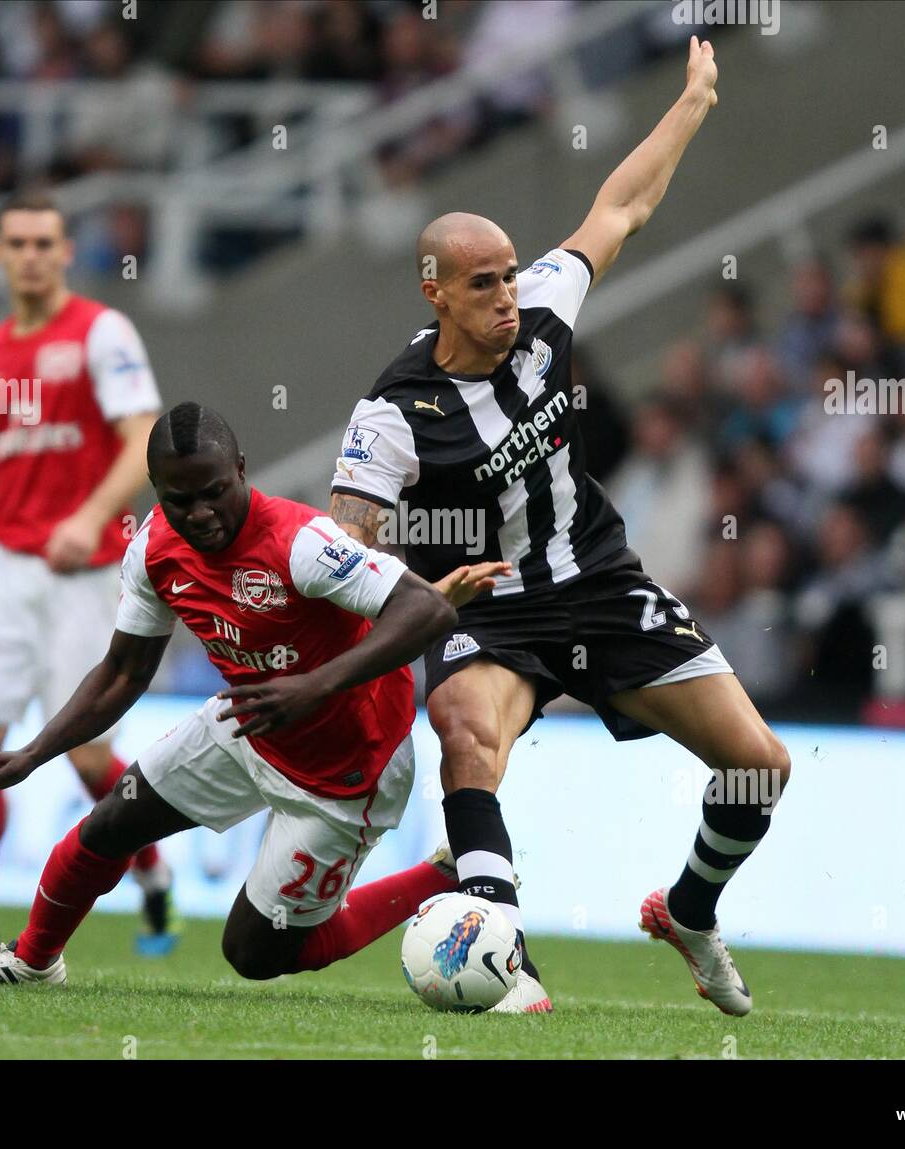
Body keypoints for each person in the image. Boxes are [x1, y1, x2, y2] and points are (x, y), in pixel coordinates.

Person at [328, 38, 790, 1016]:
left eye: (507, 276)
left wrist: (693, 102)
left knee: (759, 770)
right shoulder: (393, 412)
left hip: (600, 582)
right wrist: (412, 596)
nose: (507, 298)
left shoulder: (544, 307)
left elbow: (621, 205)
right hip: (487, 609)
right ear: (436, 293)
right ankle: (501, 950)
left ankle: (690, 911)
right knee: (462, 729)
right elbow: (347, 534)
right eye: (483, 285)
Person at [0, 403, 505, 988]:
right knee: (110, 825)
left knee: (254, 955)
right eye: (180, 500)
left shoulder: (301, 543)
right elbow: (122, 673)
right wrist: (32, 754)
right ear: (158, 489)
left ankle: (442, 874)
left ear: (240, 470)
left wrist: (314, 686)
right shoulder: (155, 550)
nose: (200, 513)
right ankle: (33, 961)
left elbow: (428, 608)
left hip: (350, 769)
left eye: (213, 492)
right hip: (249, 728)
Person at [0, 191, 171, 954]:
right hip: (0, 566)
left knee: (88, 754)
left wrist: (90, 516)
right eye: (15, 242)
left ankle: (152, 874)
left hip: (84, 574)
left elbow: (142, 435)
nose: (29, 254)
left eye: (43, 242)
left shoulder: (100, 331)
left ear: (63, 252)